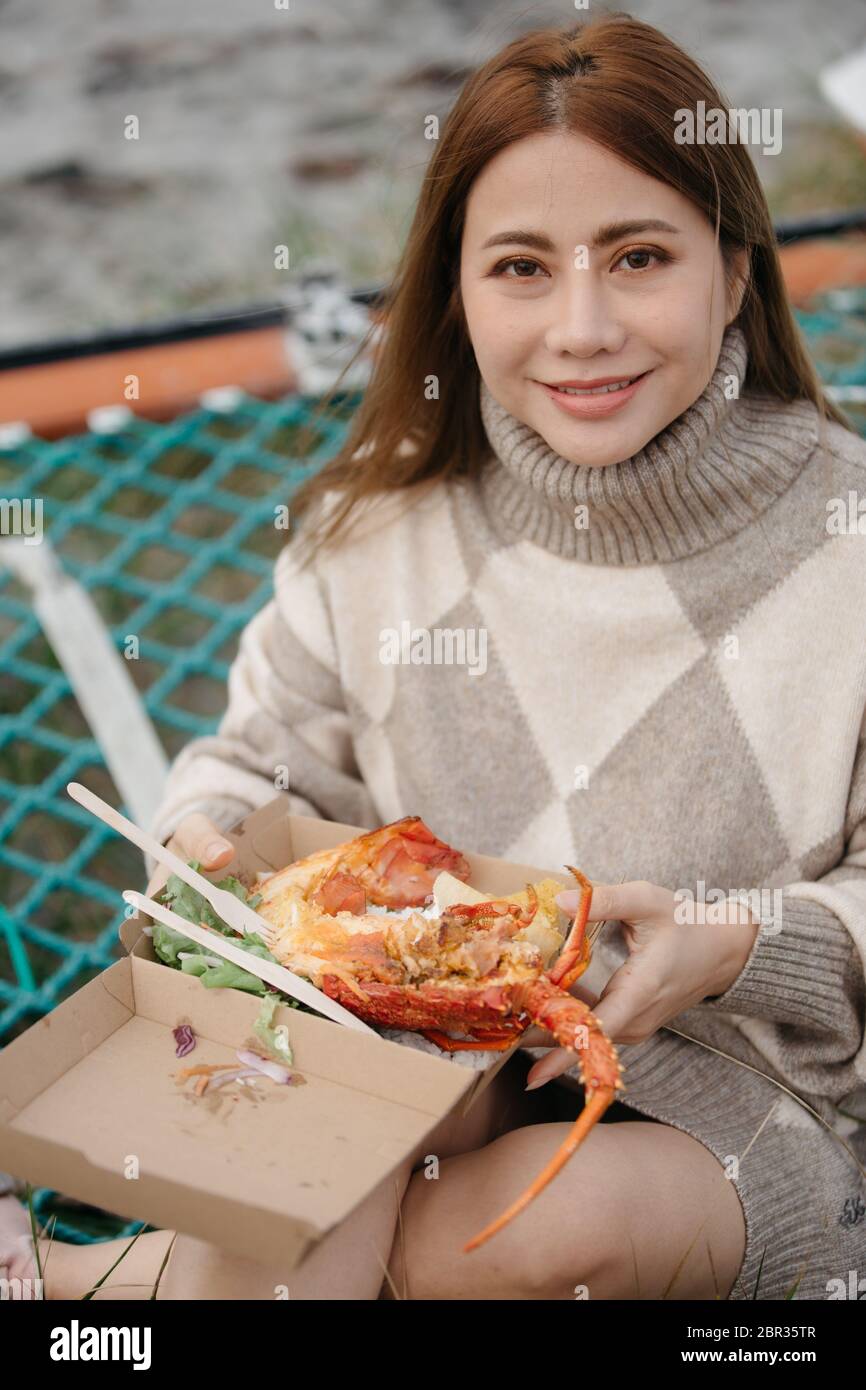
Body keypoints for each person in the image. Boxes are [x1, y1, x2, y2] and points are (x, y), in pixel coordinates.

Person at [4, 14, 866, 1301]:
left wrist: (740, 942)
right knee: (304, 1156)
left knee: (530, 1240)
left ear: (735, 272)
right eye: (520, 266)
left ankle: (85, 1289)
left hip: (757, 1078)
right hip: (424, 1045)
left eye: (637, 256)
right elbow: (250, 760)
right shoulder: (375, 536)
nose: (580, 327)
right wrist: (214, 840)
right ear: (454, 290)